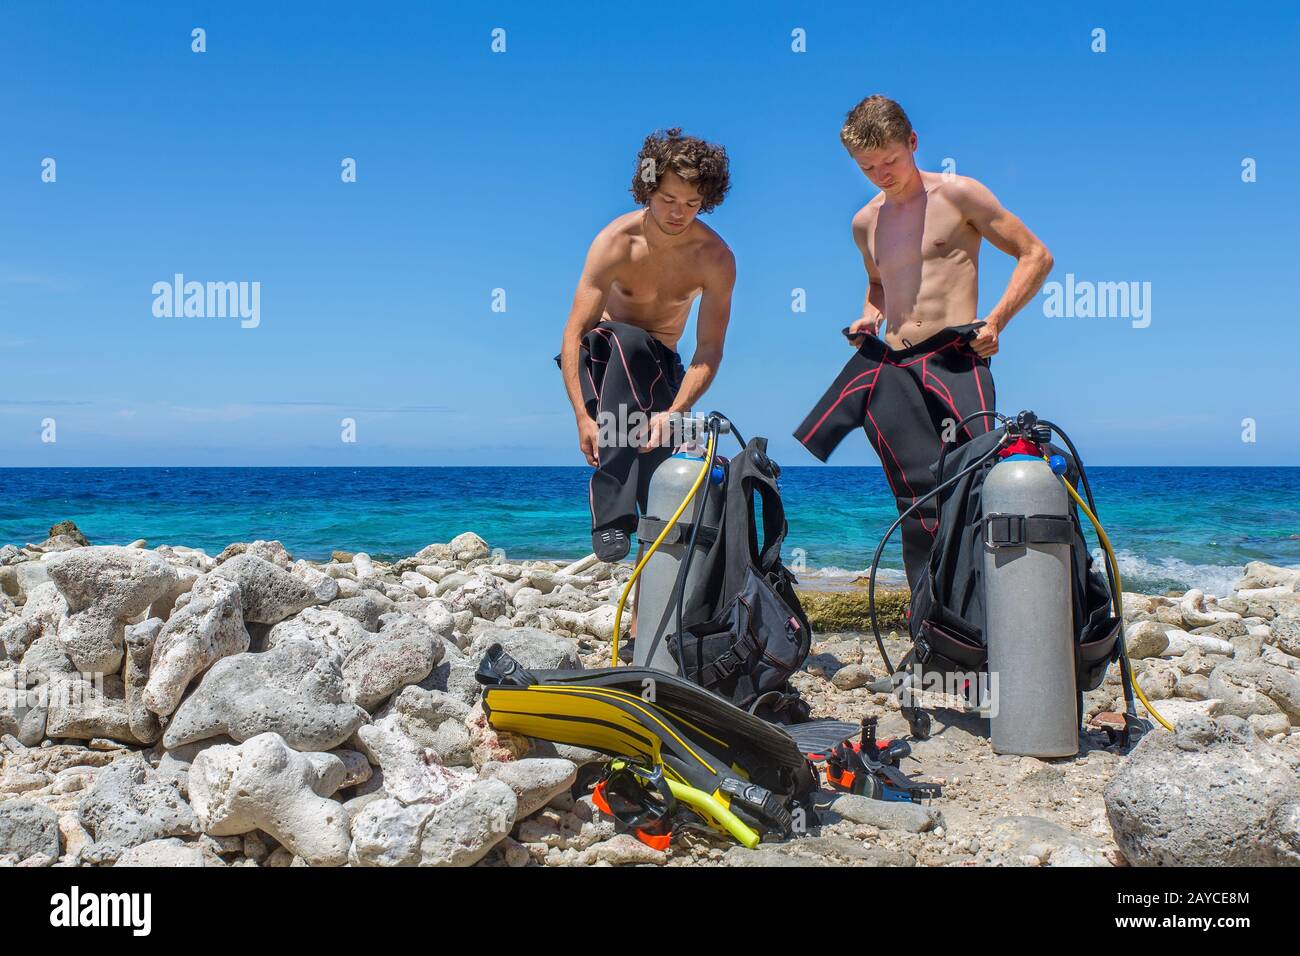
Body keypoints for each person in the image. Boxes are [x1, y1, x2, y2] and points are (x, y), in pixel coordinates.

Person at [794, 95, 1054, 590]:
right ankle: (931, 622)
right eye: (867, 166)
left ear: (913, 143)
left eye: (889, 160)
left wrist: (996, 321)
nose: (880, 174)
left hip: (955, 359)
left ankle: (991, 609)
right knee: (914, 501)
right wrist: (867, 318)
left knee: (974, 484)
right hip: (892, 365)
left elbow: (1035, 255)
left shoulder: (960, 196)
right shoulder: (865, 221)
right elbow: (878, 287)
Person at [559, 128, 736, 562]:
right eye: (669, 200)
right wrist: (583, 417)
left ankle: (648, 626)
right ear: (647, 189)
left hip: (660, 369)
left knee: (661, 508)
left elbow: (709, 349)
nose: (680, 213)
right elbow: (572, 335)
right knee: (627, 338)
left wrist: (673, 414)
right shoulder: (615, 242)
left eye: (692, 204)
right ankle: (610, 515)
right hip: (603, 357)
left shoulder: (715, 258)